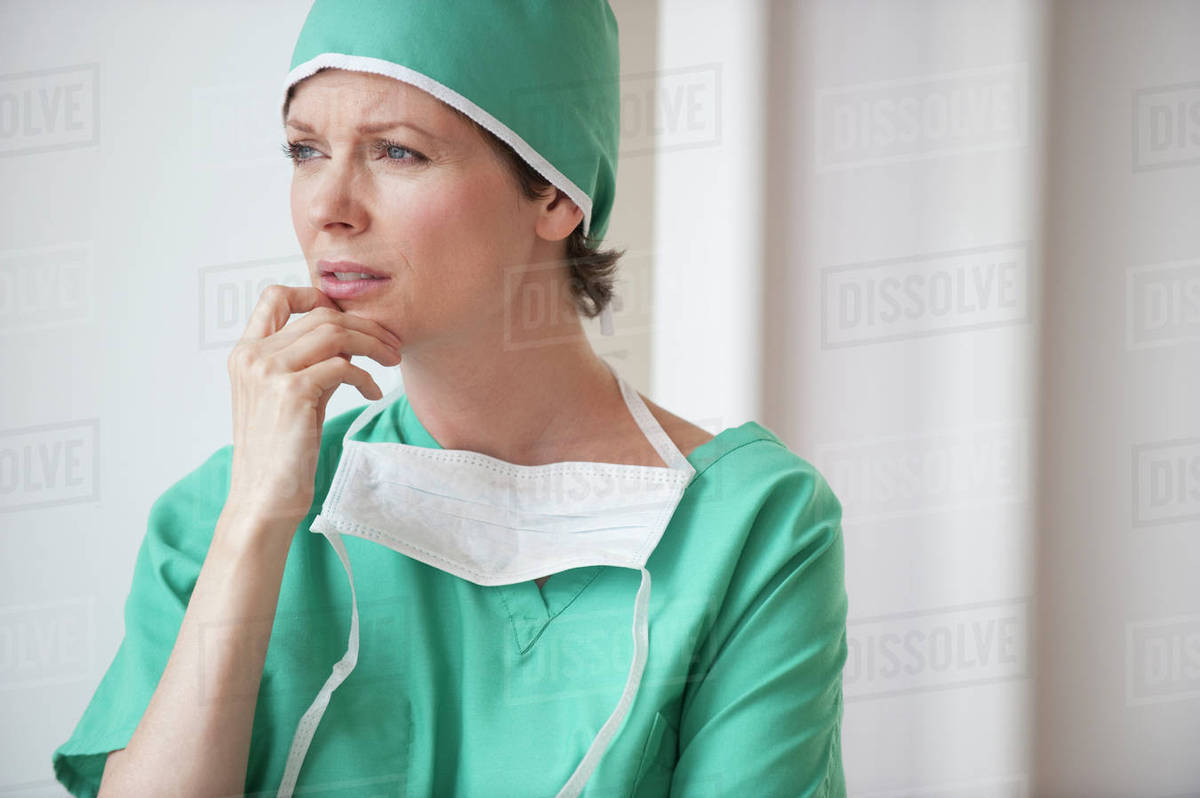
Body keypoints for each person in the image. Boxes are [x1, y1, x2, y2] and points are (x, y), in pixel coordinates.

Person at [50, 1, 848, 796]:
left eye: (396, 151)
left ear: (555, 194)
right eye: (304, 150)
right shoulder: (219, 514)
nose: (329, 208)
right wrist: (256, 520)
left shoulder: (751, 529)